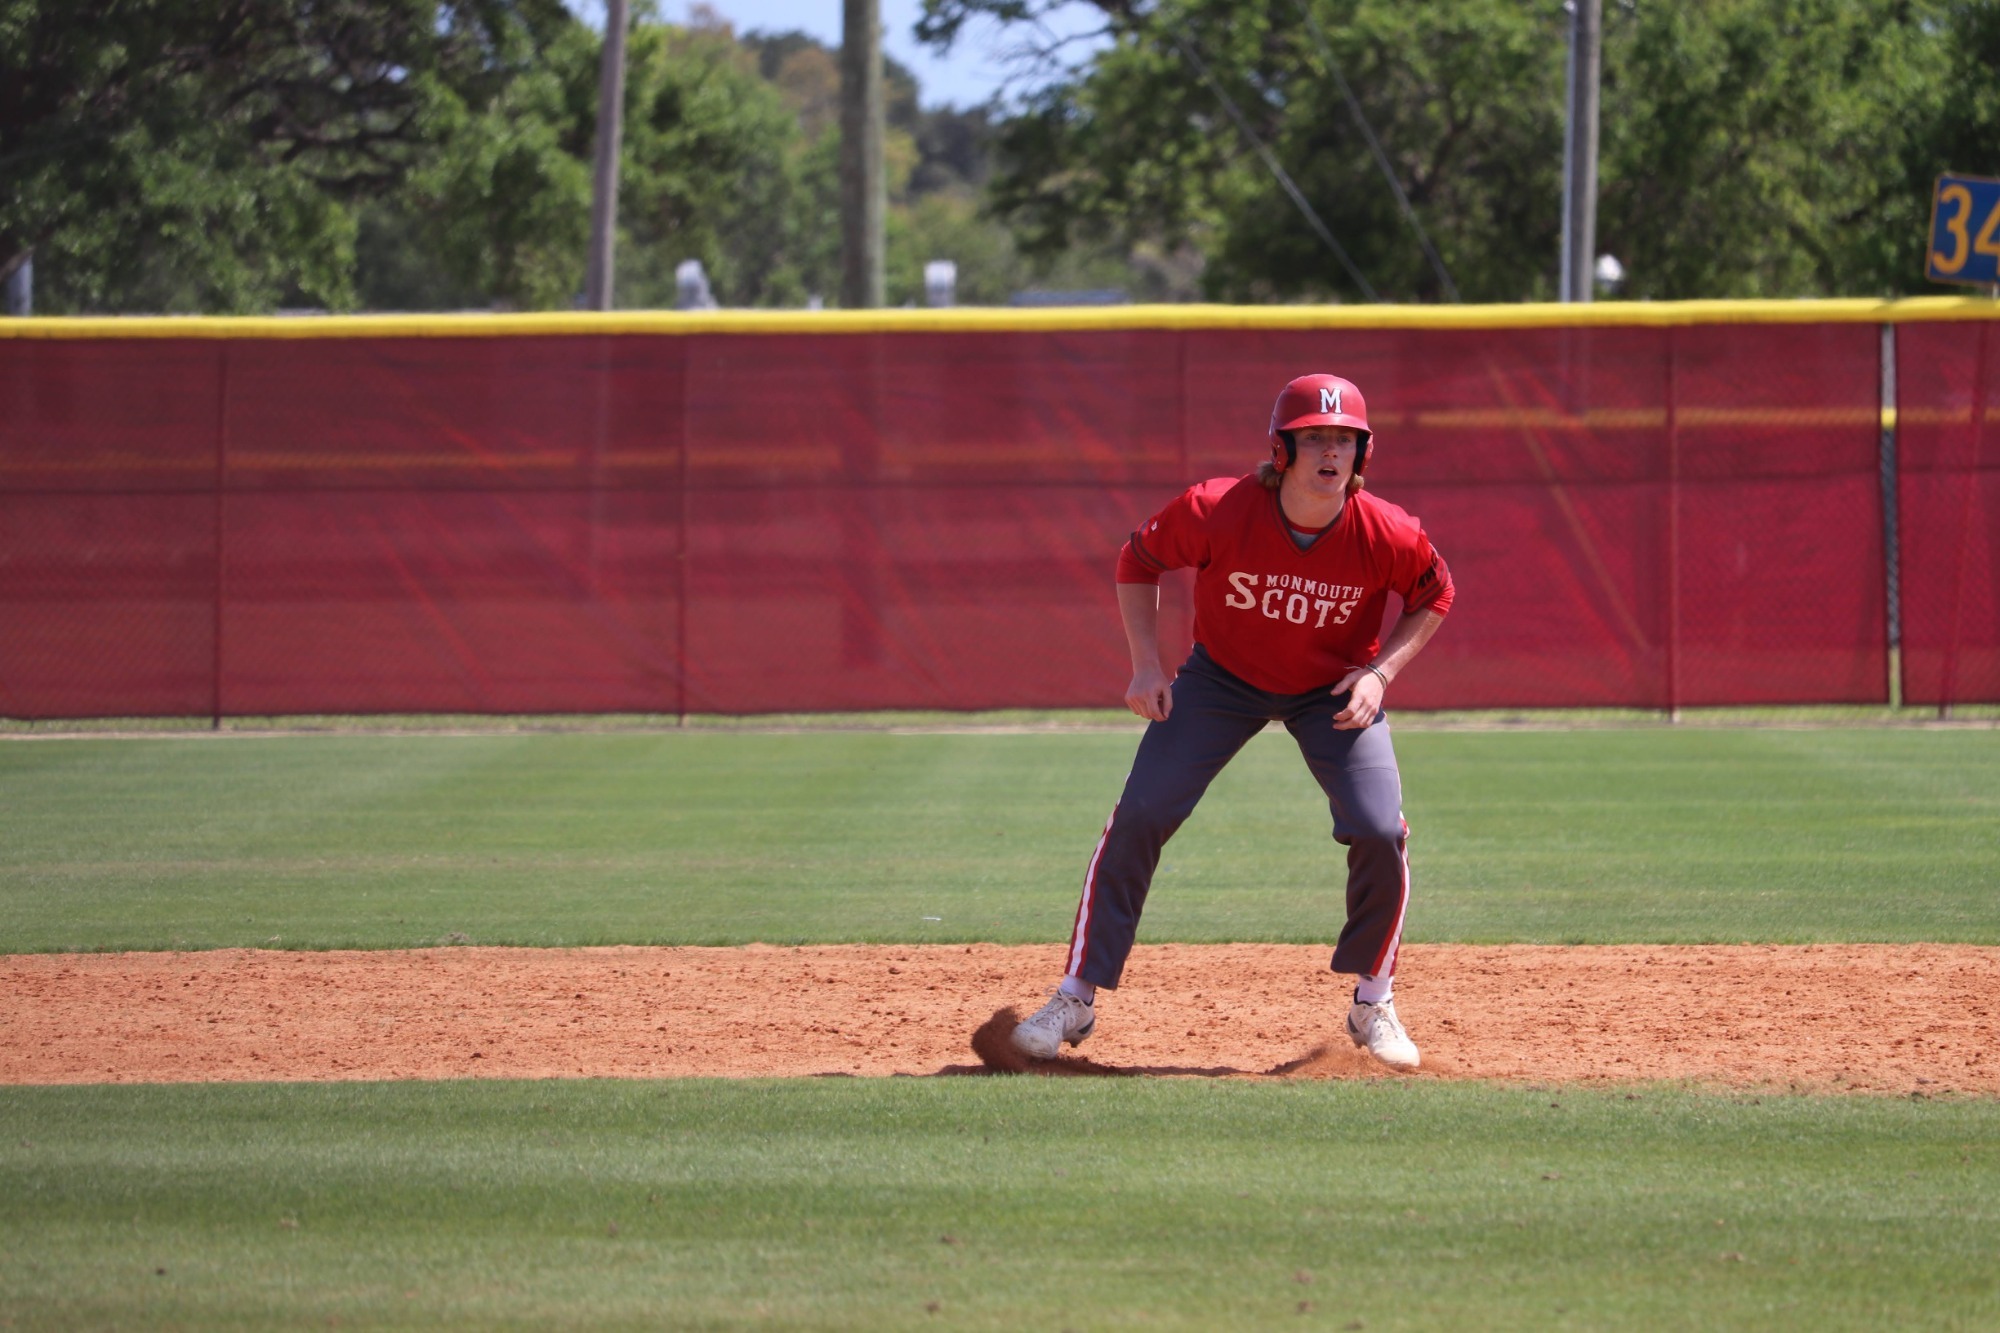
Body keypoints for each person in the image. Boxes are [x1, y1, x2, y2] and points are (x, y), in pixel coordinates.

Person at [1011, 373, 1454, 1070]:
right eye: (1314, 438)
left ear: (1362, 453)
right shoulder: (1218, 507)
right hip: (1223, 680)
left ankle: (1375, 1000)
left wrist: (1380, 673)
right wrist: (1147, 665)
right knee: (1142, 812)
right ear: (1282, 450)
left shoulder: (1387, 531)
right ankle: (1076, 995)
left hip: (1331, 689)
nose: (1330, 453)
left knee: (1379, 827)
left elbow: (1436, 593)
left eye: (1344, 439)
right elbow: (1140, 557)